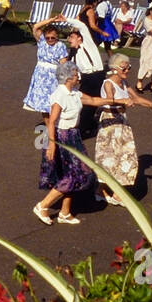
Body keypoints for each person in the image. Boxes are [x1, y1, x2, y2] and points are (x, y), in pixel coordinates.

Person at [35, 62, 109, 226]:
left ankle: (65, 212)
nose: (78, 77)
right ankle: (43, 205)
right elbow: (52, 122)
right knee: (76, 173)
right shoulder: (59, 95)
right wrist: (52, 144)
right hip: (63, 137)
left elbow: (93, 100)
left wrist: (119, 100)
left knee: (72, 173)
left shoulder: (74, 92)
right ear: (68, 78)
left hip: (74, 135)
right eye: (76, 75)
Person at [93, 53, 152, 205]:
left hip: (122, 123)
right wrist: (122, 103)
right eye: (124, 68)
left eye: (128, 67)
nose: (127, 70)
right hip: (110, 124)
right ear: (114, 68)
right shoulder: (108, 84)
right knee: (110, 159)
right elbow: (109, 102)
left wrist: (151, 105)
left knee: (125, 157)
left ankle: (105, 191)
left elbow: (135, 98)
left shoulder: (124, 83)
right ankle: (114, 193)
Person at [22, 14, 67, 115]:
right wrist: (51, 20)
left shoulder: (60, 46)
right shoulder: (42, 41)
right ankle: (48, 127)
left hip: (53, 77)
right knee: (41, 105)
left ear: (57, 37)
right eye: (48, 38)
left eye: (53, 38)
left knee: (52, 103)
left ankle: (52, 125)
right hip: (40, 76)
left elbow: (63, 64)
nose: (50, 40)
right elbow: (36, 26)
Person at [67, 24, 105, 139]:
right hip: (86, 79)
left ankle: (84, 129)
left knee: (89, 105)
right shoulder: (73, 53)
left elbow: (83, 26)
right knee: (81, 103)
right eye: (69, 37)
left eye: (72, 37)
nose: (69, 39)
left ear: (80, 38)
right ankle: (87, 126)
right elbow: (74, 67)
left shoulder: (88, 45)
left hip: (96, 76)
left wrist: (66, 20)